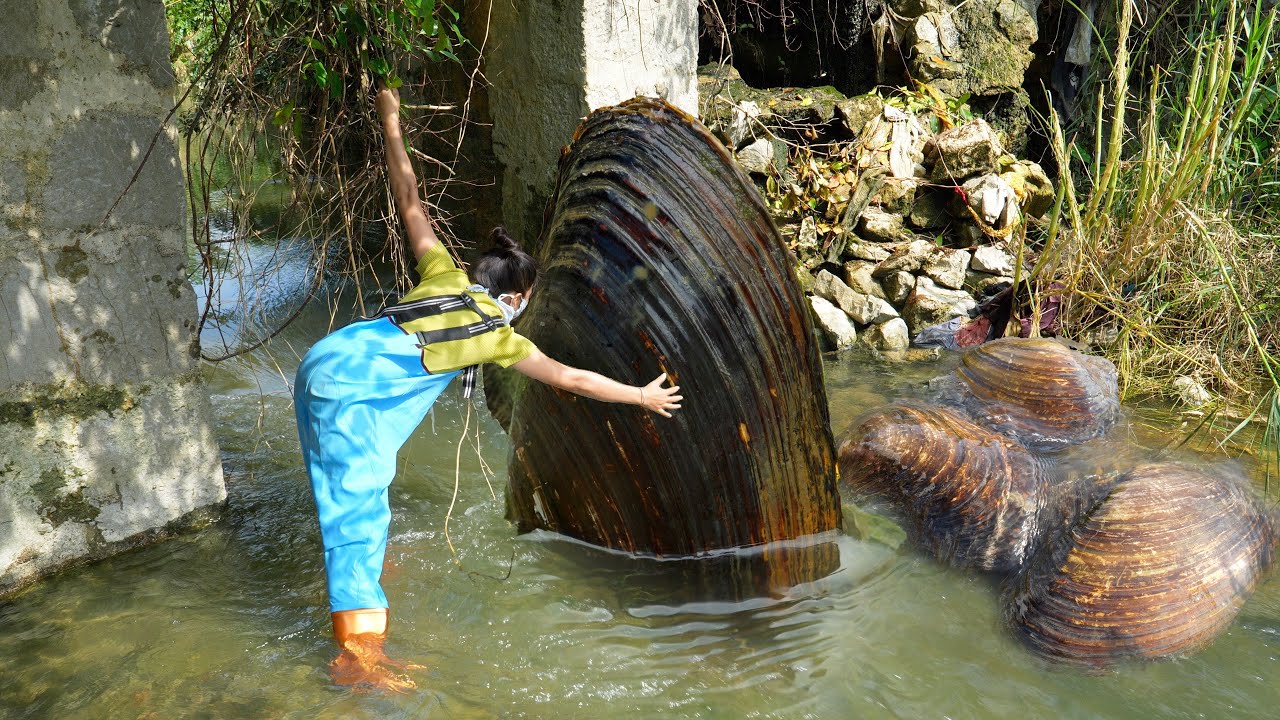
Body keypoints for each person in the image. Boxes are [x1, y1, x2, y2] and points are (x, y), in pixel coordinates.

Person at [293, 85, 683, 690]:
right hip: (352, 393)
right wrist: (641, 396)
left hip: (325, 360)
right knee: (357, 511)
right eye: (524, 305)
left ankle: (364, 580)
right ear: (512, 300)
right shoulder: (497, 335)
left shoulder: (443, 271)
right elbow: (572, 378)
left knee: (346, 493)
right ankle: (358, 661)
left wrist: (389, 118)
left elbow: (409, 198)